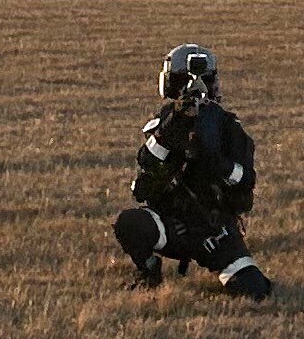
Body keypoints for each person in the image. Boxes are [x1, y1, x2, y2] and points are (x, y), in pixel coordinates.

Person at [114, 43, 272, 300]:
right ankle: (149, 272)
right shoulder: (168, 120)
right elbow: (148, 163)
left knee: (254, 290)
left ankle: (235, 269)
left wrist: (217, 165)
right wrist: (170, 131)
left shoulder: (227, 126)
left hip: (215, 230)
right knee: (131, 224)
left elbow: (246, 180)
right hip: (173, 224)